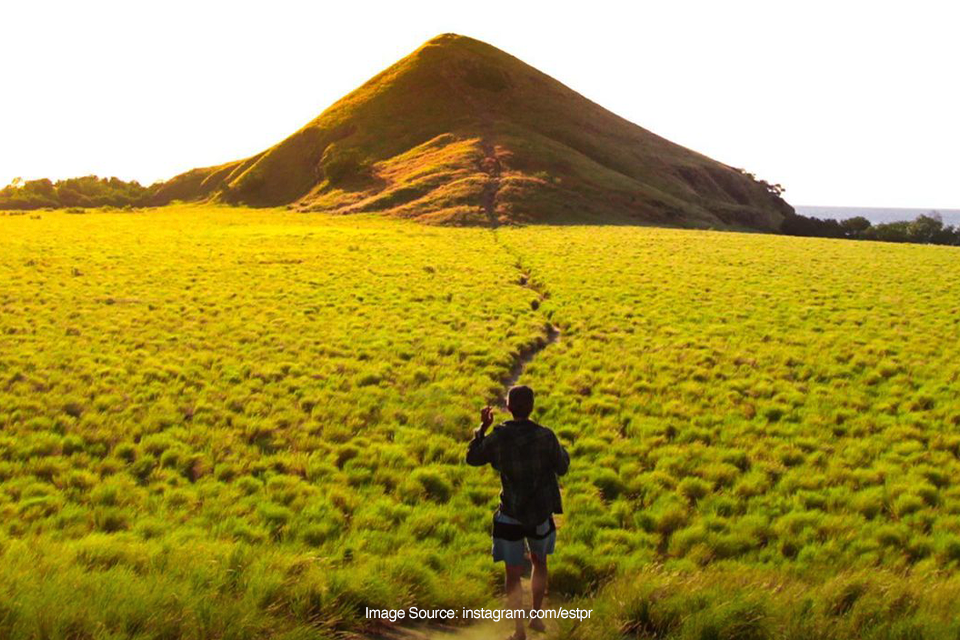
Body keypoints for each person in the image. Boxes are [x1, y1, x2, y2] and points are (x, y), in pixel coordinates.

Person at [466, 385, 570, 640]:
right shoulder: (546, 436)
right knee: (540, 561)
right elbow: (563, 467)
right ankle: (536, 615)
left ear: (508, 408)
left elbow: (473, 458)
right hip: (540, 513)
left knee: (512, 573)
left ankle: (518, 630)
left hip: (510, 513)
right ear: (532, 407)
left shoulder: (499, 436)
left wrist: (482, 429)